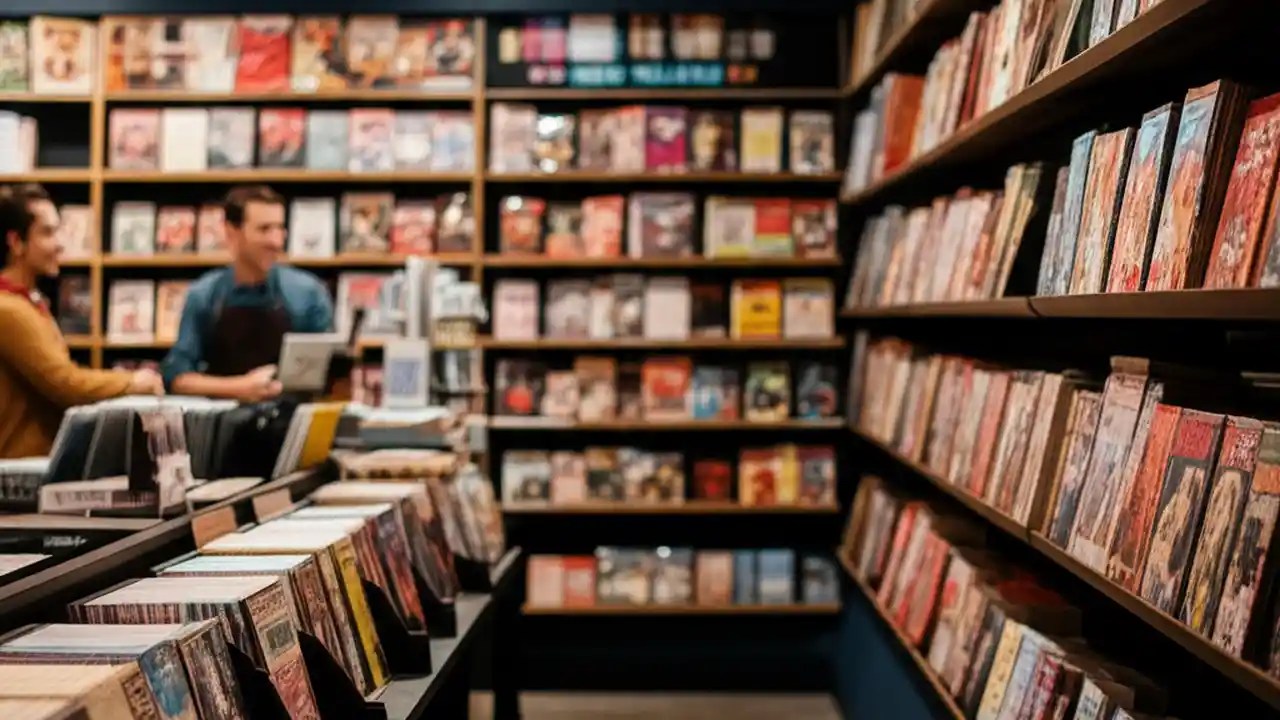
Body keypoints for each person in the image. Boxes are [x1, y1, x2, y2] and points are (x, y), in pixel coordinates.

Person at [0, 184, 163, 458]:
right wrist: (132, 382)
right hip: (19, 472)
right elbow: (64, 383)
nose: (60, 243)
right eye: (48, 232)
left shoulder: (26, 303)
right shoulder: (9, 310)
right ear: (16, 242)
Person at [162, 185, 334, 402]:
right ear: (232, 233)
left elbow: (332, 374)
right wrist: (240, 388)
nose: (276, 241)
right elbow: (176, 377)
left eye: (280, 229)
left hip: (292, 425)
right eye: (264, 229)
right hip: (221, 426)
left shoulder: (308, 293)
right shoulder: (204, 295)